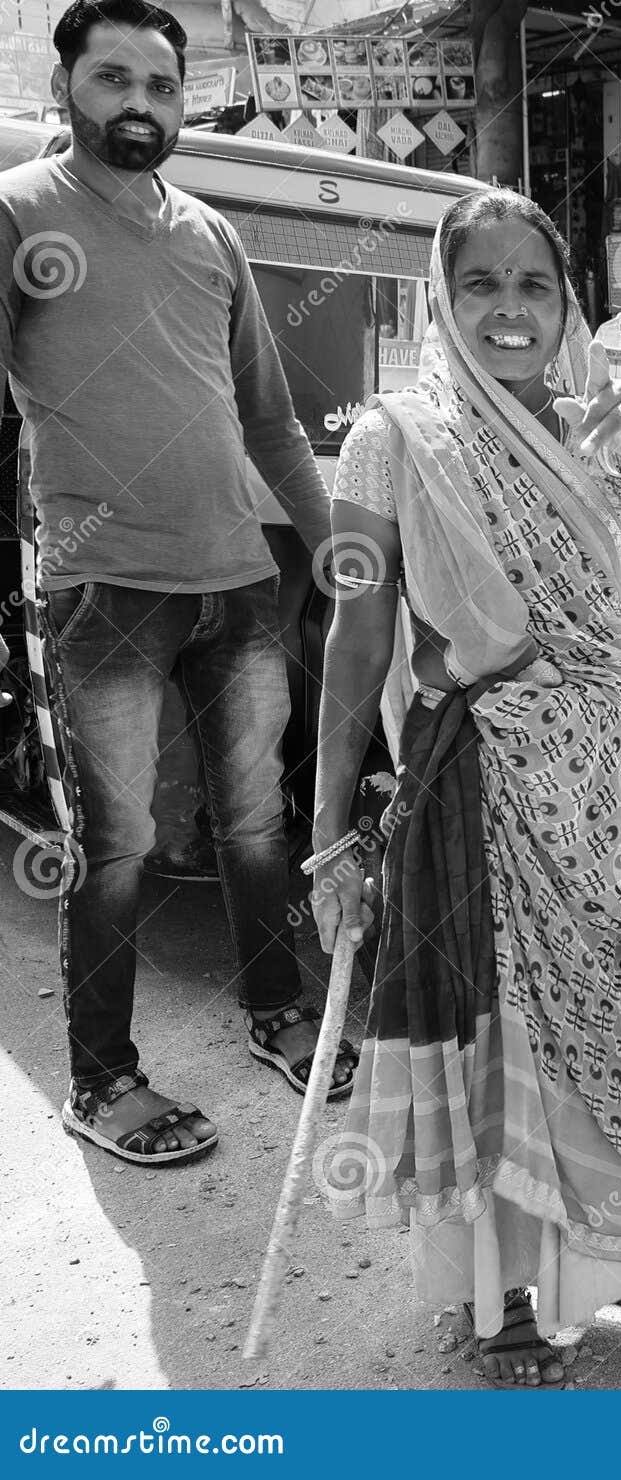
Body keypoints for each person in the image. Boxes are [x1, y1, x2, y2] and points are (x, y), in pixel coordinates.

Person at [311, 188, 621, 1388]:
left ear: (566, 299)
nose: (509, 308)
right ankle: (501, 1294)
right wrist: (332, 832)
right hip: (485, 787)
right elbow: (353, 639)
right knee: (509, 1041)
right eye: (480, 283)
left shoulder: (603, 421)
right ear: (444, 298)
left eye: (532, 284)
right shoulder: (396, 437)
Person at [0, 0, 354, 1166]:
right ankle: (101, 1083)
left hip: (240, 582)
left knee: (260, 823)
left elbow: (271, 420)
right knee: (117, 846)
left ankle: (277, 1011)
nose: (141, 104)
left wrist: (337, 550)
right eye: (114, 79)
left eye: (162, 83)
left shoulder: (210, 235)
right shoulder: (18, 217)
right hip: (105, 586)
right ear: (67, 90)